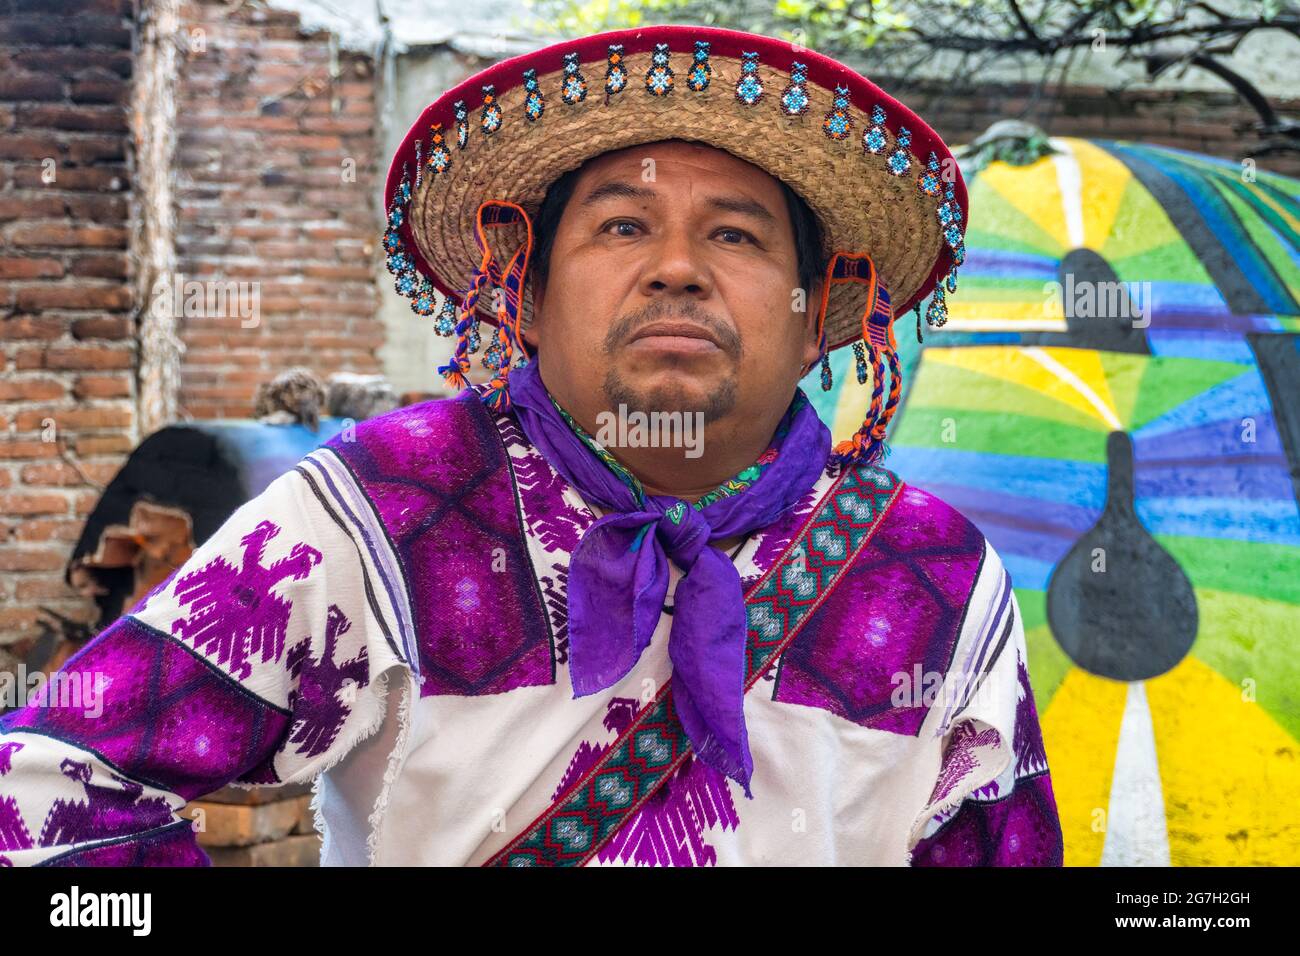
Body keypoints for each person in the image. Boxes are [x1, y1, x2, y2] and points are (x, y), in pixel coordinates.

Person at [0, 25, 1063, 867]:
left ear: (816, 312)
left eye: (735, 234)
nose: (677, 268)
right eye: (621, 225)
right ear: (530, 293)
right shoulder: (383, 506)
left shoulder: (934, 571)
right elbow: (41, 786)